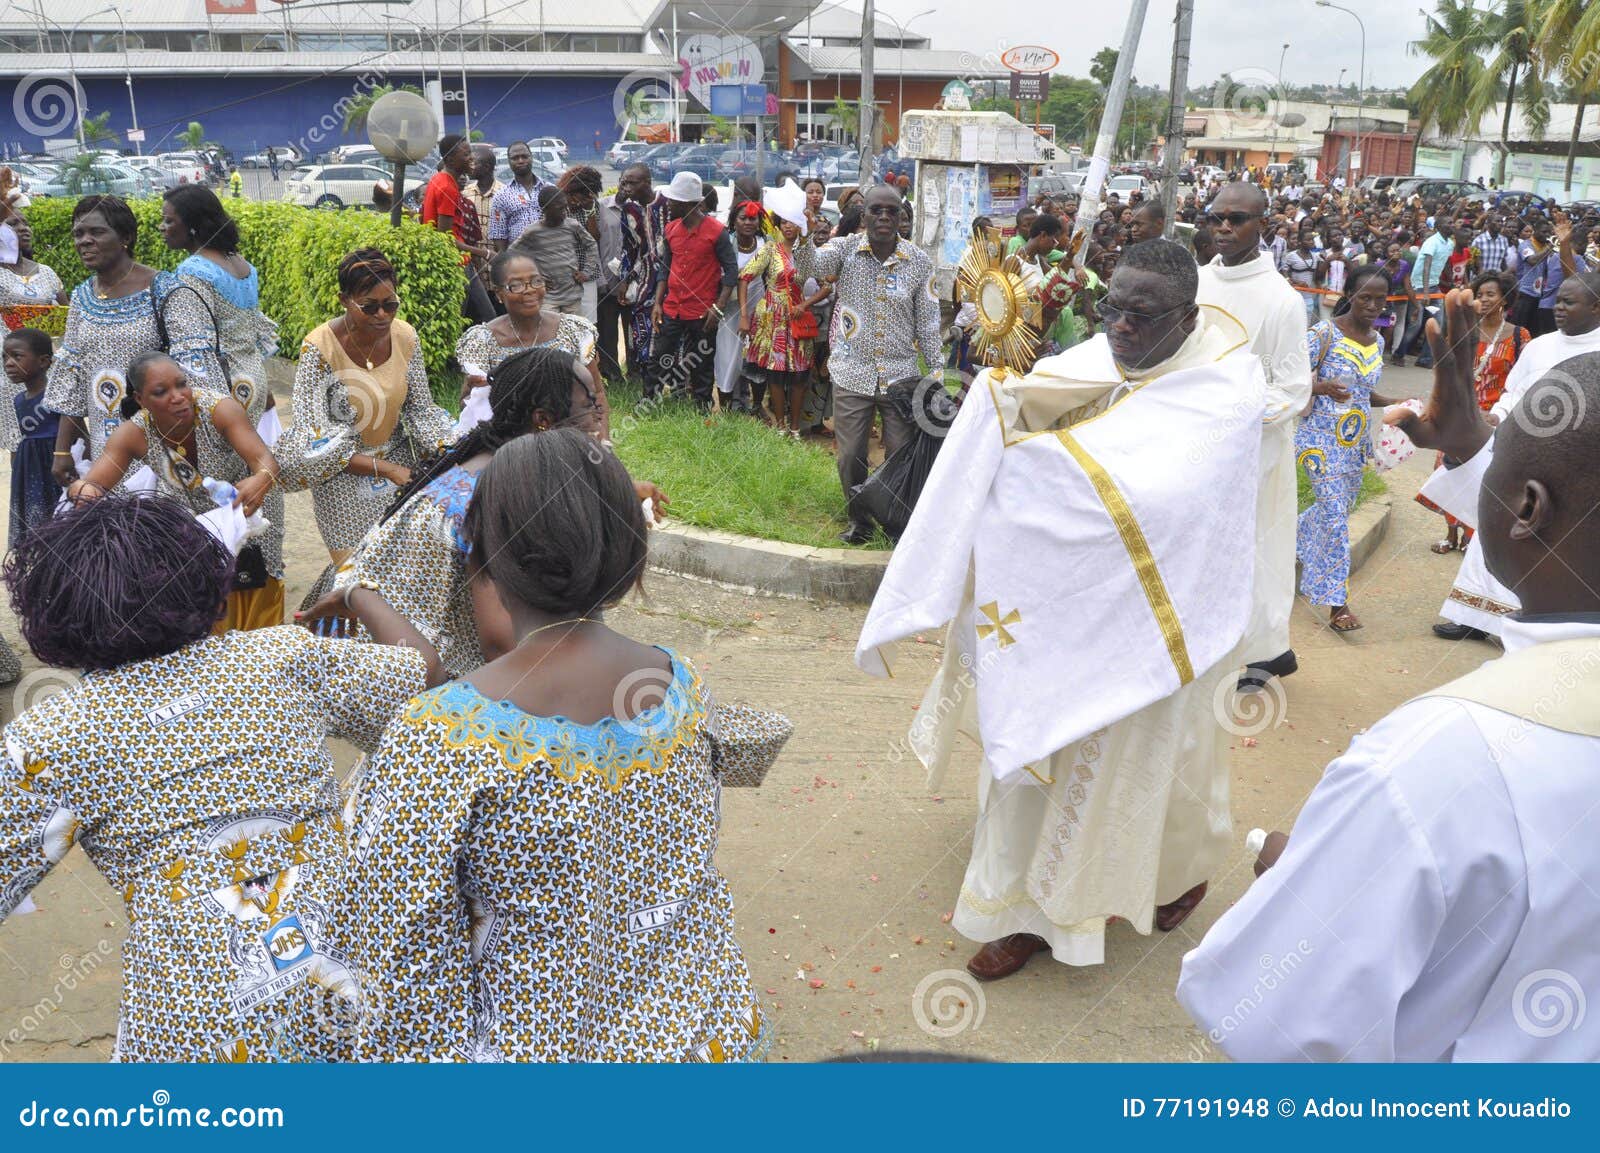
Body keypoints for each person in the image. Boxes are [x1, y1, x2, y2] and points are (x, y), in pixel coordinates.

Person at [1179, 290, 1600, 1062]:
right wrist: (1475, 428)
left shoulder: (1441, 761)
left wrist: (1315, 880)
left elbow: (1274, 1026)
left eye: (1492, 455)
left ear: (1527, 508)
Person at [297, 430, 790, 1062]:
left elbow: (389, 958)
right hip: (698, 1038)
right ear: (626, 551)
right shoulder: (681, 687)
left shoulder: (439, 737)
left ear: (481, 559)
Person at [855, 240, 1267, 980]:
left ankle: (1175, 873)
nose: (1121, 327)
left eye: (1142, 315)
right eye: (1111, 307)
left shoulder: (1227, 387)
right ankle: (1018, 911)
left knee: (1150, 766)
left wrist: (1041, 476)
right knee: (1033, 763)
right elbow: (1033, 409)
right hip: (1051, 613)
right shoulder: (1089, 359)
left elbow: (1170, 500)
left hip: (1157, 616)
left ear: (1188, 314)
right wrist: (998, 408)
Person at [0, 491, 440, 1063]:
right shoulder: (282, 657)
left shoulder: (49, 738)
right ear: (205, 580)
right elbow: (424, 674)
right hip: (358, 975)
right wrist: (358, 594)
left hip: (196, 1019)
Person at [302, 346, 663, 678]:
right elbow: (501, 645)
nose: (600, 417)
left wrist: (625, 491)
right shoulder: (492, 496)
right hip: (403, 660)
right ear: (543, 419)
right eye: (590, 406)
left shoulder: (518, 464)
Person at [1429, 270, 1600, 642]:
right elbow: (1514, 391)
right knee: (1497, 531)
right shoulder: (1539, 346)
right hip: (1524, 457)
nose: (1558, 308)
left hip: (1579, 471)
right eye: (1557, 300)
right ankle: (1473, 614)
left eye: (1569, 302)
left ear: (1596, 306)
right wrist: (1497, 415)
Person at [65, 351, 286, 631]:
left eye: (182, 384)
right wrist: (80, 490)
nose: (179, 396)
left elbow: (265, 462)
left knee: (254, 595)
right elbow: (94, 484)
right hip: (193, 529)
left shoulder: (219, 410)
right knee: (203, 606)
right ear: (140, 400)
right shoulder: (133, 434)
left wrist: (260, 479)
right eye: (161, 392)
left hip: (250, 510)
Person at [1194, 182, 1312, 690]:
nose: (1223, 227)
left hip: (1254, 448)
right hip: (1197, 445)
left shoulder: (1282, 300)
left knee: (1255, 549)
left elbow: (1293, 388)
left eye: (1236, 219)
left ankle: (1264, 650)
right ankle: (1205, 646)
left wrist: (1234, 409)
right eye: (1216, 218)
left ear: (1262, 224)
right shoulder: (1195, 283)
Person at [277, 248, 454, 565]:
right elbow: (313, 441)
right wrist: (386, 470)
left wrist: (454, 450)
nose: (382, 315)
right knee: (357, 577)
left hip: (400, 468)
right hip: (342, 479)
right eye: (369, 307)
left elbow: (423, 412)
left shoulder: (405, 337)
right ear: (344, 300)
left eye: (391, 305)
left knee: (405, 569)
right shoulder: (320, 349)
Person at [794, 184, 942, 544]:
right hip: (852, 373)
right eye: (877, 210)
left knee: (899, 454)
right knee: (850, 455)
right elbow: (809, 266)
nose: (885, 217)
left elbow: (928, 320)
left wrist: (936, 374)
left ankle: (894, 522)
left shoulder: (919, 262)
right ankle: (859, 520)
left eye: (893, 212)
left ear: (902, 219)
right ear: (864, 216)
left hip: (900, 377)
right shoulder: (844, 250)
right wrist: (802, 235)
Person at [45, 195, 223, 482]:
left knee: (161, 523)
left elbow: (198, 382)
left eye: (96, 232)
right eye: (78, 234)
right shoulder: (81, 297)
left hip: (162, 450)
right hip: (106, 453)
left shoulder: (166, 291)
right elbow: (73, 378)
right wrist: (63, 450)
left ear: (126, 236)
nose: (84, 241)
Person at [1294, 266, 1405, 633]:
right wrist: (1320, 388)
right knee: (1336, 519)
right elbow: (1287, 379)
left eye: (1380, 299)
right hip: (1318, 441)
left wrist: (1398, 402)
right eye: (1365, 297)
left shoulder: (1378, 341)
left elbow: (1363, 392)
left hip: (1355, 444)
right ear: (1349, 294)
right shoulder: (1322, 334)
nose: (1372, 305)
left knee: (1330, 512)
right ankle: (1336, 604)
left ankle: (1286, 547)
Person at [1416, 269, 1527, 556]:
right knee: (1449, 470)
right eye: (1479, 295)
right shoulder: (1463, 332)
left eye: (1491, 294)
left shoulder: (1519, 336)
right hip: (1460, 412)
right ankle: (1450, 534)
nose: (1484, 299)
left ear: (1505, 299)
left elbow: (1523, 379)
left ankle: (1472, 536)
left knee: (1482, 477)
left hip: (1495, 417)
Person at [160, 184, 281, 435]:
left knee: (226, 466)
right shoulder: (241, 263)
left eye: (169, 221)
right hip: (253, 378)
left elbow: (196, 344)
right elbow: (255, 333)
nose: (162, 228)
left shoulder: (193, 271)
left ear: (191, 225)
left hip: (223, 388)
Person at [453, 249, 605, 439]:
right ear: (499, 293)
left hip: (570, 438)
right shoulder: (481, 341)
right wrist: (474, 391)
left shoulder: (574, 331)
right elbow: (468, 406)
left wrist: (603, 443)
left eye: (536, 281)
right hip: (508, 445)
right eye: (515, 285)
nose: (529, 289)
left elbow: (597, 393)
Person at [739, 187, 828, 437]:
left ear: (801, 226)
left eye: (793, 222)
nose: (788, 226)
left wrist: (804, 305)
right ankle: (780, 426)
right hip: (772, 318)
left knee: (800, 374)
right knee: (776, 373)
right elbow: (744, 277)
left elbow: (827, 285)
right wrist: (745, 315)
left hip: (799, 317)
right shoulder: (770, 250)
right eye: (784, 221)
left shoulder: (807, 252)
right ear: (779, 224)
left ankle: (795, 427)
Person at [650, 172, 737, 408]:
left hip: (703, 311)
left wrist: (718, 308)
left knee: (702, 362)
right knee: (659, 356)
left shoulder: (717, 232)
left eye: (673, 201)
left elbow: (731, 273)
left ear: (688, 204)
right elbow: (664, 269)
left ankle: (702, 407)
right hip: (672, 307)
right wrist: (658, 303)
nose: (668, 204)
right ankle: (649, 401)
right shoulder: (670, 230)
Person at [421, 134, 494, 323]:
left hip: (458, 262)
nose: (472, 158)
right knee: (477, 318)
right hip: (456, 265)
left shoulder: (438, 179)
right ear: (450, 159)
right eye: (466, 154)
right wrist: (484, 252)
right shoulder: (447, 188)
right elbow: (445, 239)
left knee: (483, 317)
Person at [3, 327, 59, 548]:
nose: (8, 363)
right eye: (4, 357)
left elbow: (76, 435)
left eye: (17, 356)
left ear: (44, 361)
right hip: (29, 468)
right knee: (35, 519)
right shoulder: (18, 400)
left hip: (53, 465)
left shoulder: (56, 396)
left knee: (58, 517)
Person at [510, 185, 598, 319]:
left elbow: (591, 245)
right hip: (547, 297)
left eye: (565, 207)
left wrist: (587, 271)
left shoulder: (572, 225)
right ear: (545, 209)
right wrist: (533, 278)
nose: (565, 211)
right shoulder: (533, 231)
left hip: (572, 295)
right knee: (550, 333)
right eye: (560, 208)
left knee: (574, 333)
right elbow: (512, 254)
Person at [617, 163, 667, 387]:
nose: (626, 187)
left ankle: (678, 384)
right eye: (624, 182)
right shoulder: (628, 210)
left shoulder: (667, 203)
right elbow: (629, 247)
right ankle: (648, 383)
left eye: (632, 183)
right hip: (644, 278)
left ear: (647, 182)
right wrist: (624, 279)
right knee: (641, 325)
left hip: (672, 277)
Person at [718, 200, 764, 412]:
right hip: (730, 309)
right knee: (728, 357)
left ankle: (756, 406)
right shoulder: (726, 242)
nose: (748, 222)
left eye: (752, 218)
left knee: (756, 357)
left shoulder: (766, 244)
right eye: (742, 218)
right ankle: (726, 407)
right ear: (733, 221)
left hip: (760, 309)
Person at [1395, 217, 1455, 365]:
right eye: (1449, 222)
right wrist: (1426, 292)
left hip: (1434, 285)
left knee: (1437, 324)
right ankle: (1398, 354)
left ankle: (1426, 359)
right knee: (1416, 324)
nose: (1452, 225)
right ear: (1439, 226)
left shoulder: (1450, 243)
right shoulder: (1432, 242)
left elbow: (1445, 262)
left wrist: (1452, 281)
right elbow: (1426, 266)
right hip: (1420, 286)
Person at [0, 211, 66, 332]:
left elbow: (67, 314)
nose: (23, 228)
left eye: (26, 223)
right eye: (12, 224)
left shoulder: (46, 272)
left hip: (41, 347)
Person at [488, 141, 552, 254]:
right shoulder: (501, 196)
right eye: (515, 158)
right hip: (519, 261)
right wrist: (506, 264)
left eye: (524, 156)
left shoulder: (550, 189)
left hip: (550, 256)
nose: (520, 161)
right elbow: (498, 235)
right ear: (509, 161)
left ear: (531, 157)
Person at [1281, 225, 1323, 324]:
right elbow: (1284, 272)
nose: (1311, 242)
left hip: (1309, 296)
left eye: (1312, 239)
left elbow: (1316, 276)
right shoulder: (1291, 256)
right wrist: (1295, 281)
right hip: (1294, 294)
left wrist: (1320, 287)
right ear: (1300, 241)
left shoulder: (1315, 256)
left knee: (1306, 324)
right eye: (1308, 240)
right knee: (1293, 322)